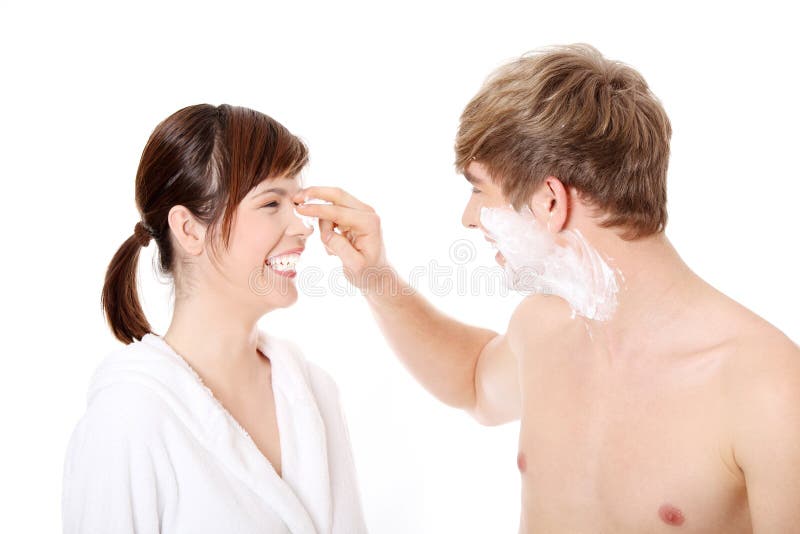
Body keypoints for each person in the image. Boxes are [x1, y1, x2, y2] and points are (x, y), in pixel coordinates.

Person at [293, 44, 800, 532]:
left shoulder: (768, 388)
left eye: (477, 188)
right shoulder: (544, 327)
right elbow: (472, 382)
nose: (469, 217)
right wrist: (376, 277)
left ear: (550, 201)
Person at [62, 104, 367, 534]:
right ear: (189, 230)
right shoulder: (128, 419)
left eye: (295, 203)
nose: (301, 229)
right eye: (271, 203)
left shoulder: (315, 392)